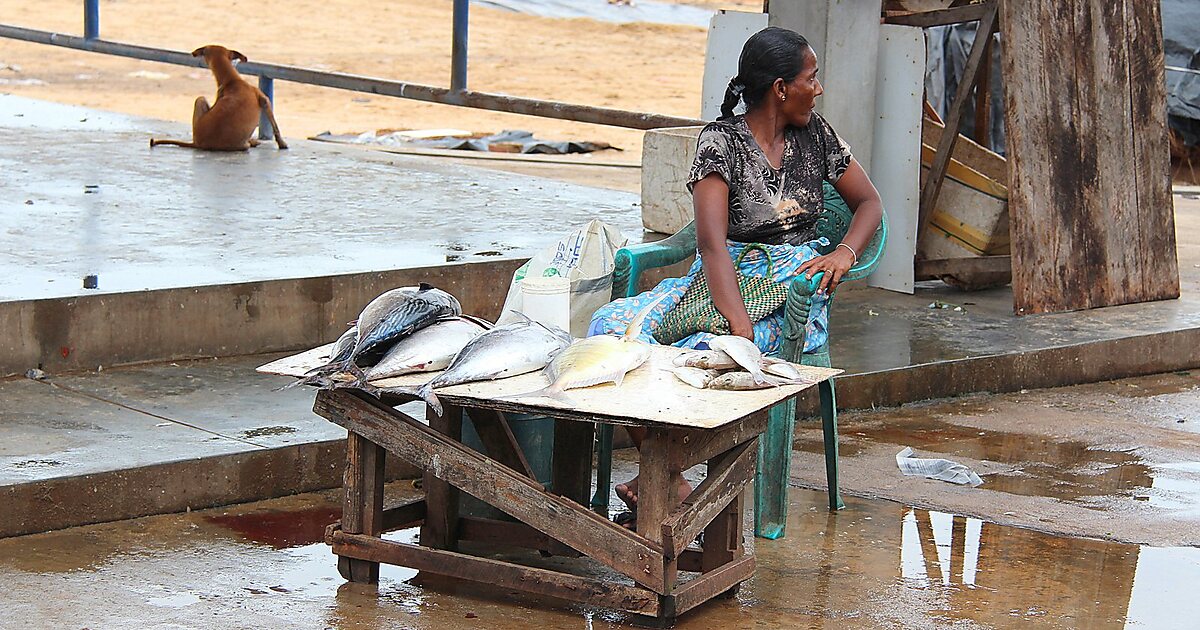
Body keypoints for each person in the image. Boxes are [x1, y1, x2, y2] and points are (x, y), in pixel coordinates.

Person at [589, 26, 884, 526]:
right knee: (611, 329)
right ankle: (674, 475)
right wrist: (739, 322)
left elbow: (870, 203)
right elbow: (710, 243)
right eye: (812, 77)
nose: (820, 88)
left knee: (705, 353)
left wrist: (844, 253)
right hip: (722, 276)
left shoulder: (818, 136)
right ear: (781, 88)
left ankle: (665, 474)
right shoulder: (721, 142)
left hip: (796, 287)